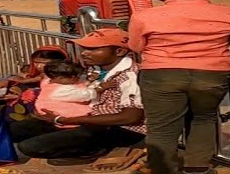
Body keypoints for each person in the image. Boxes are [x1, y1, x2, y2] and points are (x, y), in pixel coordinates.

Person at [128, 0, 230, 174]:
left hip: (161, 74)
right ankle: (197, 168)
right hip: (212, 74)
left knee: (161, 128)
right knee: (204, 119)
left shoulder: (144, 17)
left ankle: (163, 169)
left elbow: (136, 46)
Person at [10, 28, 146, 167]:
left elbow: (130, 117)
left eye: (93, 49)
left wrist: (64, 120)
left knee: (30, 147)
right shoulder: (95, 68)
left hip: (117, 128)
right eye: (84, 48)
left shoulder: (130, 76)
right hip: (87, 119)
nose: (84, 53)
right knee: (14, 131)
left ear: (119, 51)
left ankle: (91, 152)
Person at [34, 61, 97, 126]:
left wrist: (89, 80)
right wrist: (98, 89)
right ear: (60, 78)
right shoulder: (61, 90)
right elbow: (84, 95)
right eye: (75, 77)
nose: (78, 78)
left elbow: (78, 83)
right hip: (60, 113)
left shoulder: (48, 81)